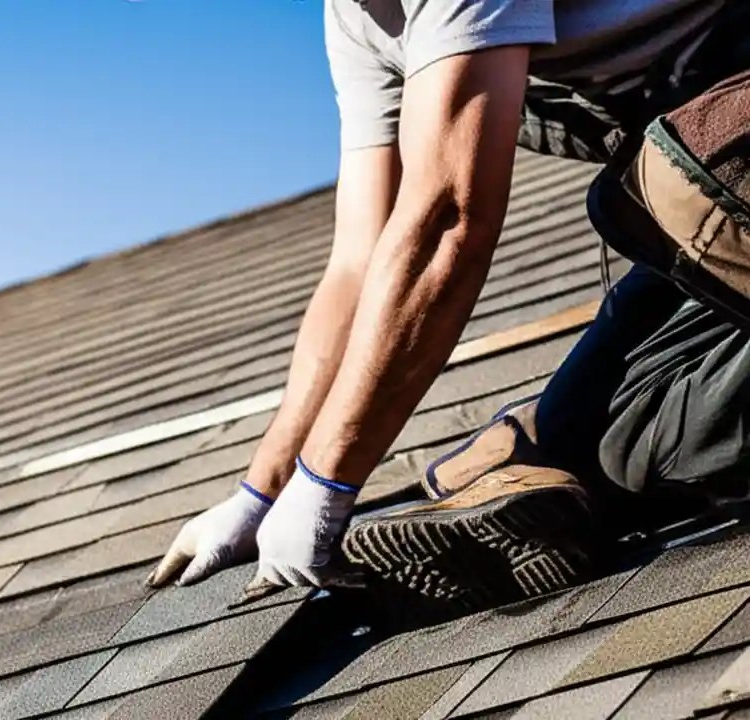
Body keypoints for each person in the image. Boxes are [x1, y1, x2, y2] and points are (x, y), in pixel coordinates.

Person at [146, 0, 750, 608]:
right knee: (578, 442)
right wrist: (265, 490)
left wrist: (327, 480)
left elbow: (446, 219)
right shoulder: (358, 20)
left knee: (665, 209)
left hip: (720, 174)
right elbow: (361, 260)